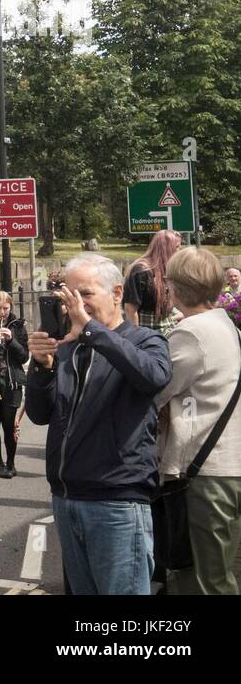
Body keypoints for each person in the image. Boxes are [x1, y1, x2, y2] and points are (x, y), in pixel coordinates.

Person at [26, 253, 172, 596]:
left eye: (86, 293)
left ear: (117, 293)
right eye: (69, 295)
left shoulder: (145, 341)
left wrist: (91, 330)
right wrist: (42, 367)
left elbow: (153, 377)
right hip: (67, 498)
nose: (75, 304)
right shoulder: (69, 348)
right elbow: (40, 414)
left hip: (117, 501)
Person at [157, 247, 241, 595]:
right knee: (214, 573)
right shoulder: (226, 324)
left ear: (174, 287)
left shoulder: (191, 333)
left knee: (204, 581)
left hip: (203, 475)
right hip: (224, 469)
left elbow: (153, 390)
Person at [0, 291, 28, 479]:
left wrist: (12, 340)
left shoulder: (18, 326)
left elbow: (24, 356)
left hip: (11, 382)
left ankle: (11, 463)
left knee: (9, 425)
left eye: (6, 308)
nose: (3, 312)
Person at [125, 229, 183, 333]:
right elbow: (130, 310)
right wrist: (136, 338)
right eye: (177, 247)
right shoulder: (141, 271)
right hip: (146, 329)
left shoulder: (168, 269)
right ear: (165, 248)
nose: (180, 251)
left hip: (166, 325)